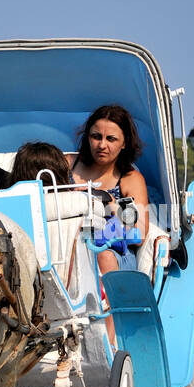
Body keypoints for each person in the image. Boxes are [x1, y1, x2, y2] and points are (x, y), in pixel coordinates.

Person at [67, 104, 148, 273]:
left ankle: (108, 300)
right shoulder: (67, 164)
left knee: (104, 256)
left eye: (111, 139)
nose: (102, 145)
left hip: (113, 253)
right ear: (87, 137)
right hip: (68, 245)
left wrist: (111, 204)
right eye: (96, 136)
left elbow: (139, 234)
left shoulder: (130, 179)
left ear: (124, 142)